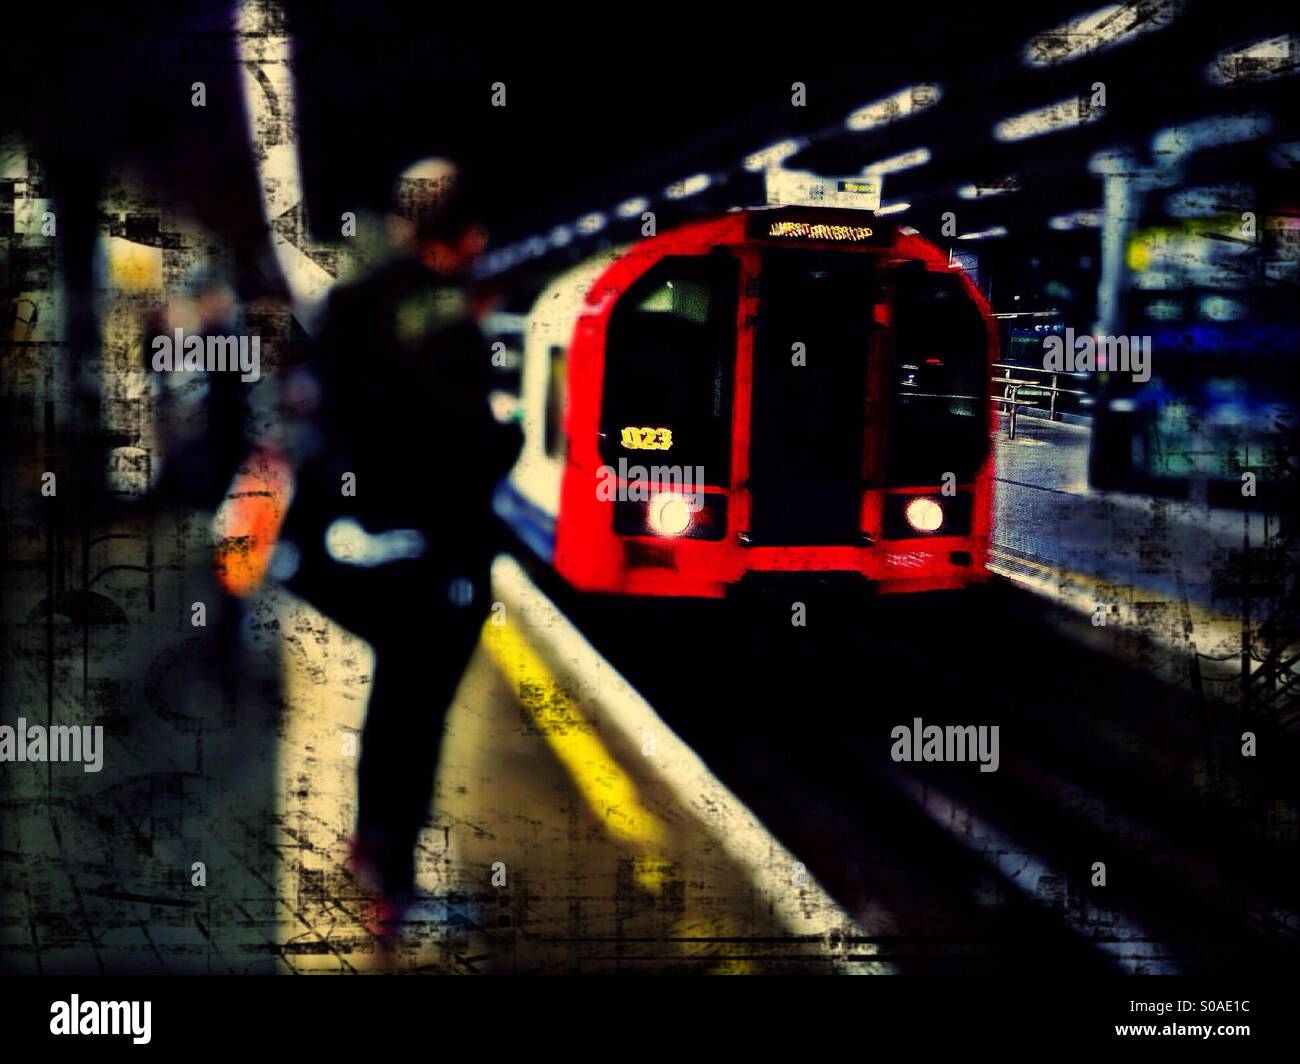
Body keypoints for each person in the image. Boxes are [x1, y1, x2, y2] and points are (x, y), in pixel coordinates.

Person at [279, 158, 522, 935]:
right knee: (418, 719)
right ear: (470, 235)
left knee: (392, 705)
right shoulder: (448, 317)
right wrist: (510, 436)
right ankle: (396, 888)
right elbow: (462, 446)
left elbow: (322, 416)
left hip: (346, 552)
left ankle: (370, 842)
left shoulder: (346, 302)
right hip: (433, 560)